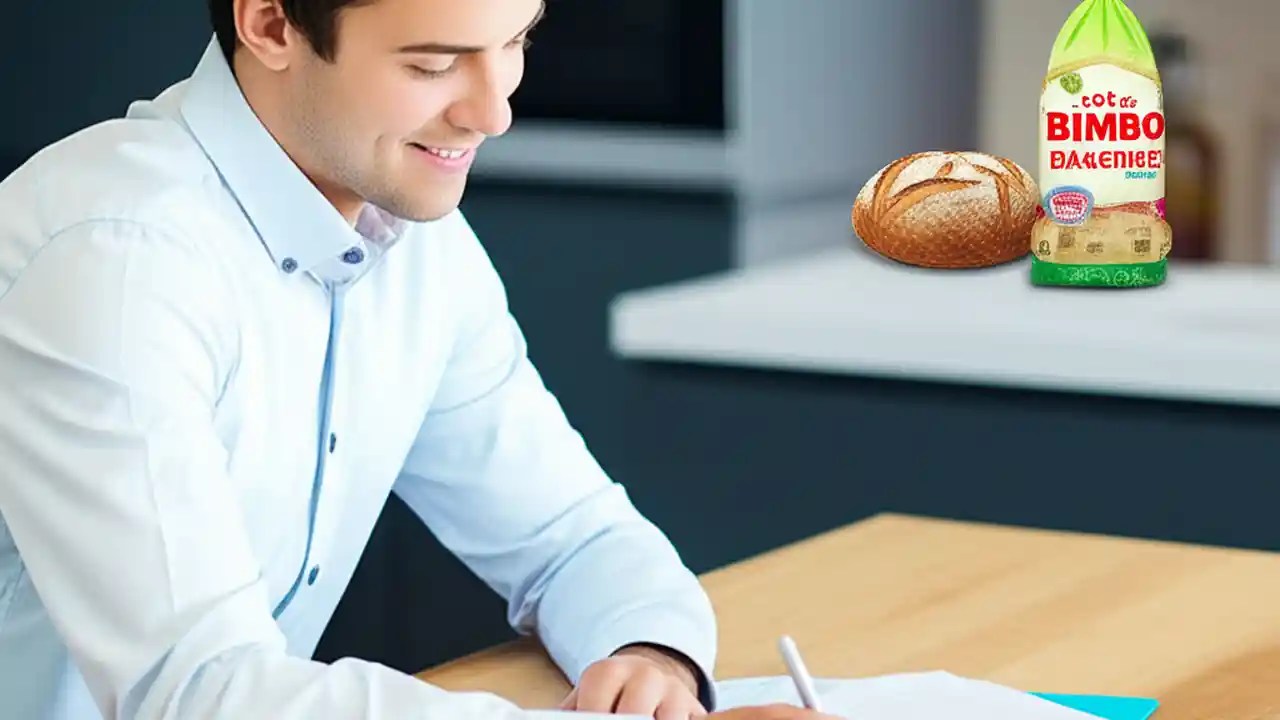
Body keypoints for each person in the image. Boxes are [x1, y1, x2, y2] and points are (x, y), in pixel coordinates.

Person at [0, 1, 841, 719]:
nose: (494, 111)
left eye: (515, 42)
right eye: (435, 63)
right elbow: (200, 691)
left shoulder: (411, 246)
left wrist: (649, 658)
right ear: (269, 22)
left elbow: (573, 540)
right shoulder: (116, 262)